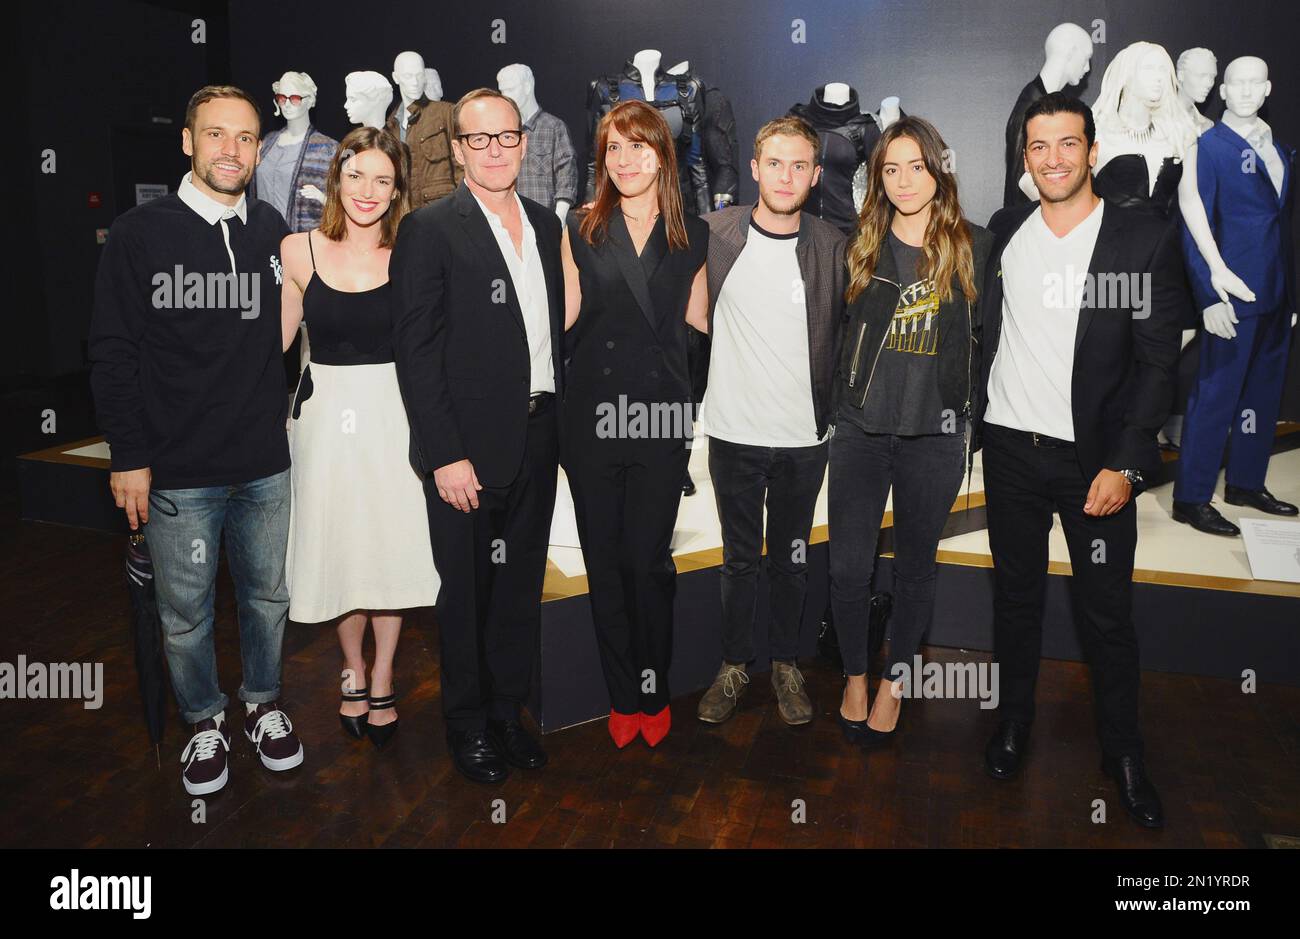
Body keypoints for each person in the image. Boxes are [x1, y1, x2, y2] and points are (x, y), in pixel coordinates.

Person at [975, 92, 1184, 829]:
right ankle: (1013, 722)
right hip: (1008, 451)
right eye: (1039, 146)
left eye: (1068, 144)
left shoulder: (1140, 238)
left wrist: (1127, 465)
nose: (1054, 158)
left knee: (1107, 616)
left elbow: (1160, 364)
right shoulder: (1006, 231)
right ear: (1024, 157)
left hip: (1093, 463)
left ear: (1092, 150)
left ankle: (1123, 753)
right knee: (1017, 601)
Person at [88, 85, 304, 795]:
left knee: (268, 597)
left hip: (265, 462)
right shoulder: (138, 235)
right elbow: (113, 352)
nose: (231, 151)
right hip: (177, 468)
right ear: (187, 141)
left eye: (245, 137)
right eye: (215, 135)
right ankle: (205, 721)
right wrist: (129, 457)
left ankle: (263, 704)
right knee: (185, 615)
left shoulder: (271, 229)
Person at [391, 88, 564, 784]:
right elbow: (417, 350)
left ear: (523, 142)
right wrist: (445, 454)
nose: (495, 150)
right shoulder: (430, 228)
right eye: (478, 139)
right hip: (464, 452)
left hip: (538, 437)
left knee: (518, 590)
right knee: (466, 596)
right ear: (457, 149)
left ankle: (504, 716)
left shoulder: (549, 226)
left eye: (506, 136)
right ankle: (466, 726)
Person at [829, 117, 993, 747]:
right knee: (848, 570)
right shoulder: (859, 248)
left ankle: (896, 683)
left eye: (915, 167)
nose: (902, 181)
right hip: (861, 433)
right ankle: (852, 676)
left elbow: (993, 343)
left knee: (916, 569)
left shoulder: (974, 247)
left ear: (938, 170)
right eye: (889, 169)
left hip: (935, 435)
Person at [280, 127, 438, 749]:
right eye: (357, 176)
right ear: (336, 181)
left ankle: (383, 669)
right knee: (341, 545)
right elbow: (274, 342)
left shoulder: (413, 255)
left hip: (395, 415)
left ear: (396, 189)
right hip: (324, 422)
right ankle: (351, 667)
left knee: (388, 545)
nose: (368, 190)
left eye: (382, 179)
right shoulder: (298, 251)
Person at [560, 99, 709, 749]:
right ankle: (625, 695)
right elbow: (562, 322)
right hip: (591, 418)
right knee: (606, 560)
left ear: (662, 155)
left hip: (660, 419)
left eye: (637, 147)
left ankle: (654, 685)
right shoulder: (579, 227)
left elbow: (697, 331)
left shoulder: (694, 234)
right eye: (612, 149)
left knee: (649, 562)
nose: (624, 160)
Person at [694, 116, 845, 727]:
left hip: (804, 439)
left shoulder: (833, 244)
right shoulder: (714, 232)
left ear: (814, 175)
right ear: (754, 169)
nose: (786, 176)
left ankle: (785, 663)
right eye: (774, 164)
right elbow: (689, 316)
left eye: (799, 165)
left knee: (790, 557)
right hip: (733, 431)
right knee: (737, 559)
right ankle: (734, 663)